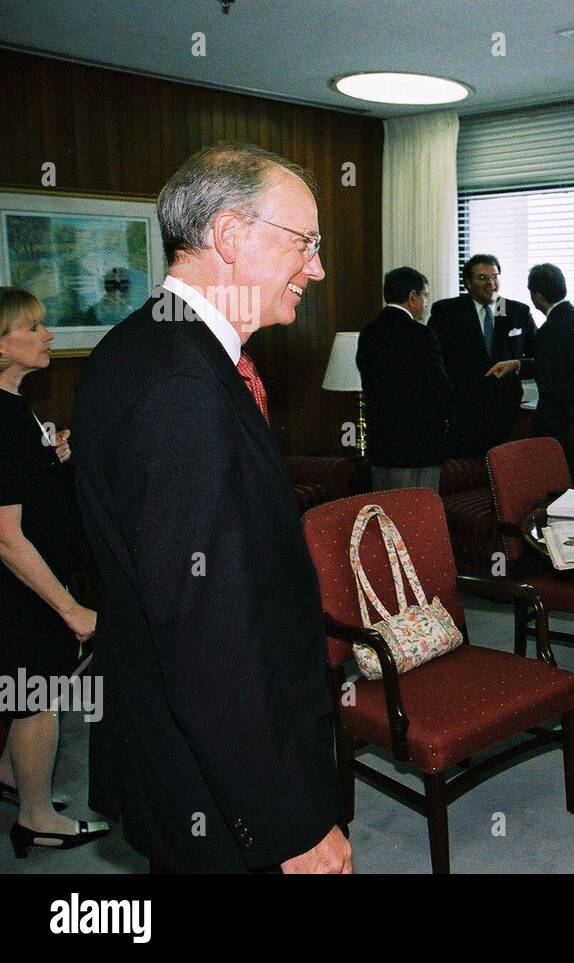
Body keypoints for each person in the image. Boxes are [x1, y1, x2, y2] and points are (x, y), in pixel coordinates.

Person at [72, 143, 351, 873]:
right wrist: (289, 820)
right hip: (218, 782)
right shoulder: (180, 388)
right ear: (230, 236)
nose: (316, 268)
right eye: (305, 243)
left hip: (189, 751)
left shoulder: (148, 346)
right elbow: (208, 636)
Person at [0, 287, 108, 857]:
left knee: (37, 688)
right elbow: (6, 537)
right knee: (37, 696)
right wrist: (70, 608)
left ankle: (17, 778)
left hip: (36, 586)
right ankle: (37, 818)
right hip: (23, 593)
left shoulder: (17, 405)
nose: (48, 335)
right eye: (34, 327)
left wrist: (53, 457)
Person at [487, 263, 574, 488]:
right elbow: (564, 365)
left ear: (537, 296)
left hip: (564, 431)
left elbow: (553, 389)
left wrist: (538, 435)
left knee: (560, 495)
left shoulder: (549, 331)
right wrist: (518, 364)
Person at [429, 254, 537, 458]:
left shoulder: (515, 311)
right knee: (466, 472)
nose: (491, 283)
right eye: (483, 278)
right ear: (468, 283)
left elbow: (540, 357)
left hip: (505, 410)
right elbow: (433, 359)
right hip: (464, 411)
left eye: (494, 276)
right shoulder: (447, 311)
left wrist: (517, 365)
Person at [357, 266, 453, 492]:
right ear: (412, 296)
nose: (426, 303)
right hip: (419, 447)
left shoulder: (368, 333)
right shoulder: (420, 334)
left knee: (387, 515)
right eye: (425, 296)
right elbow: (438, 386)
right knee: (419, 517)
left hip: (382, 445)